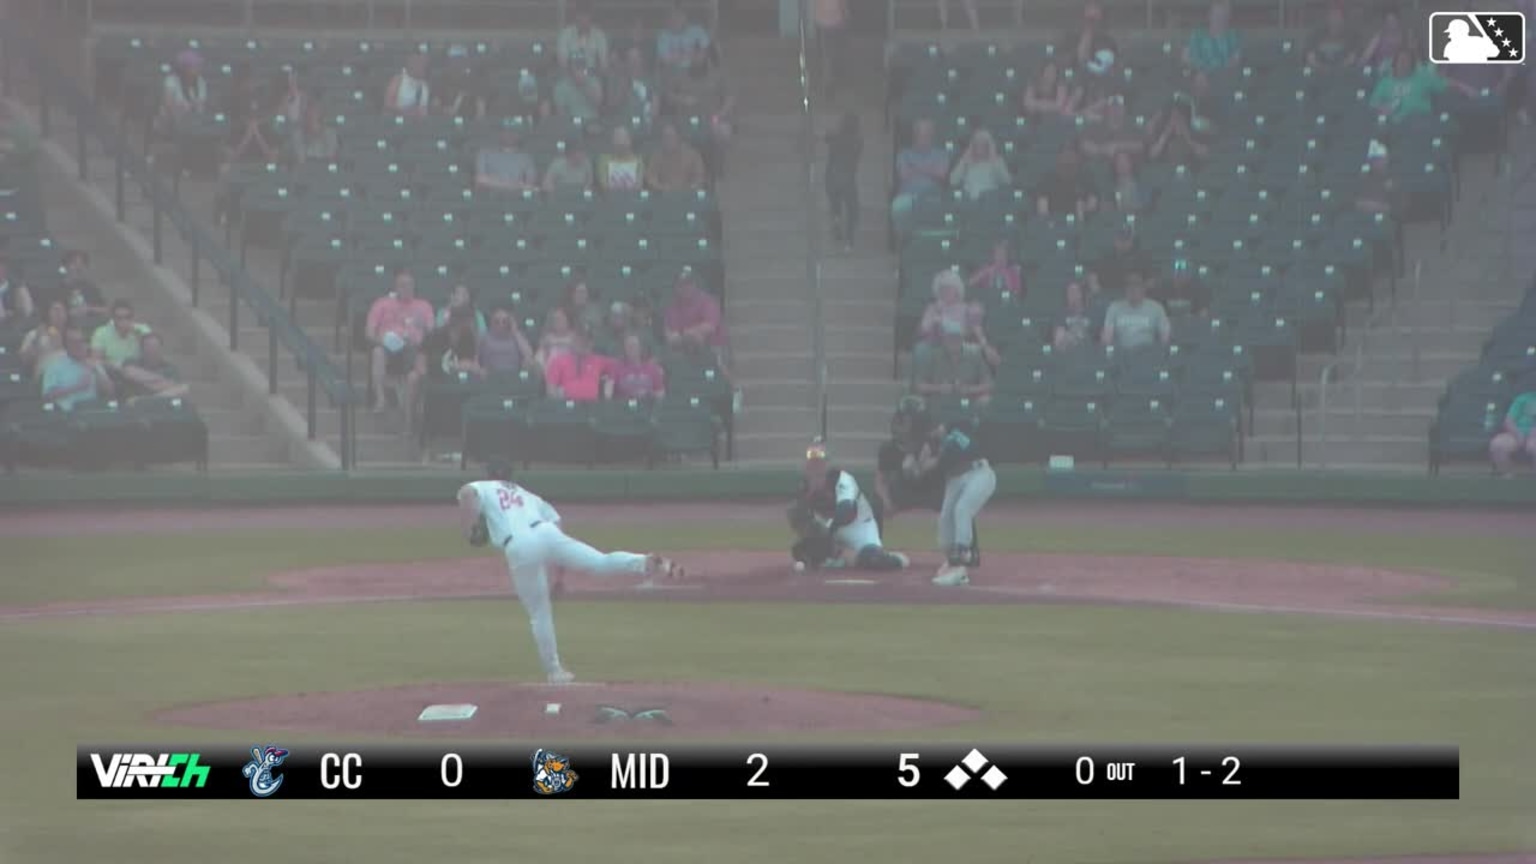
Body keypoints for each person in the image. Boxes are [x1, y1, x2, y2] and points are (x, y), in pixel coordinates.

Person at [456, 458, 682, 684]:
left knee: (539, 613)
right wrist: (559, 576)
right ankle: (644, 562)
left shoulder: (483, 486)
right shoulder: (528, 495)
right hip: (547, 533)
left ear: (488, 474)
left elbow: (467, 494)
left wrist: (469, 530)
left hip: (519, 544)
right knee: (600, 562)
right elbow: (557, 522)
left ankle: (555, 672)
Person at [787, 438, 911, 572]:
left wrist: (828, 534)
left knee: (873, 560)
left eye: (819, 463)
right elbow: (798, 516)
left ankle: (895, 559)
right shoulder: (804, 488)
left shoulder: (843, 479)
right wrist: (813, 536)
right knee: (801, 549)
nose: (815, 467)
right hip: (834, 530)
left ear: (827, 464)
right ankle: (839, 556)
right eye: (812, 463)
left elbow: (845, 511)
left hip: (859, 528)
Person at [910, 416, 995, 586]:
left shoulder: (955, 433)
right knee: (945, 520)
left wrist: (924, 464)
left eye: (935, 427)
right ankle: (952, 561)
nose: (934, 431)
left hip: (978, 473)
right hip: (954, 479)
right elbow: (920, 471)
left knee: (962, 509)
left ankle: (961, 562)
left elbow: (951, 455)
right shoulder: (928, 443)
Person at [365, 267, 434, 413]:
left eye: (409, 285)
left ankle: (418, 406)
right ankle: (381, 399)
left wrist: (418, 340)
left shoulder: (424, 306)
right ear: (395, 287)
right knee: (377, 352)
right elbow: (369, 333)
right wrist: (383, 341)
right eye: (402, 285)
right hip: (387, 347)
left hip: (415, 347)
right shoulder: (381, 304)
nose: (406, 288)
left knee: (423, 357)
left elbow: (431, 332)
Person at [875, 396, 947, 520]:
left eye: (904, 421)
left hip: (932, 496)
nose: (898, 425)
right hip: (904, 497)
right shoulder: (888, 448)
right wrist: (887, 503)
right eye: (898, 420)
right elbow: (880, 481)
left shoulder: (935, 445)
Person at [663, 267, 730, 376]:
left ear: (694, 285)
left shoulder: (707, 301)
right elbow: (670, 336)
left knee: (720, 363)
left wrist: (684, 334)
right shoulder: (673, 307)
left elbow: (710, 327)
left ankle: (731, 389)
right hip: (684, 349)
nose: (686, 288)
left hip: (713, 346)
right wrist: (691, 334)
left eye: (688, 284)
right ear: (676, 287)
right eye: (682, 285)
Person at [917, 269, 990, 363]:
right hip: (936, 346)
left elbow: (974, 330)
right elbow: (924, 329)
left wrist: (985, 345)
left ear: (957, 290)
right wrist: (933, 315)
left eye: (948, 288)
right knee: (921, 349)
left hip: (959, 344)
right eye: (942, 289)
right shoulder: (933, 308)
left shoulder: (967, 308)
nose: (945, 292)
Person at [890, 119, 950, 235]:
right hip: (908, 197)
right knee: (898, 206)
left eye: (926, 135)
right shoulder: (904, 154)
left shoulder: (941, 154)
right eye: (920, 135)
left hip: (933, 198)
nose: (923, 139)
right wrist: (930, 170)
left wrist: (915, 168)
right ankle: (905, 239)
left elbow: (941, 174)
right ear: (914, 136)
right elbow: (904, 175)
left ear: (932, 136)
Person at [1370, 48, 1461, 123]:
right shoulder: (1385, 82)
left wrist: (1468, 90)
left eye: (1407, 61)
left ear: (1412, 64)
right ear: (1395, 63)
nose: (1403, 63)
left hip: (1420, 121)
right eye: (1401, 60)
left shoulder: (1423, 78)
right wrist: (1384, 108)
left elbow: (1447, 84)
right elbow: (1373, 103)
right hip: (1394, 124)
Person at [913, 318, 993, 403]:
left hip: (967, 401)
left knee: (986, 400)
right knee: (919, 402)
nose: (954, 341)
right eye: (950, 337)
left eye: (957, 337)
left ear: (963, 338)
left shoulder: (975, 353)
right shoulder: (932, 355)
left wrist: (969, 389)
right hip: (940, 402)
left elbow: (989, 385)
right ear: (944, 339)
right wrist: (939, 388)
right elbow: (919, 386)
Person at [41, 326, 114, 411]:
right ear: (66, 345)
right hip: (66, 414)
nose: (79, 345)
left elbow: (110, 391)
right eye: (74, 342)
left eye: (81, 341)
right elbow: (47, 396)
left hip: (92, 411)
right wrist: (76, 387)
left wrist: (96, 371)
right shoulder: (55, 365)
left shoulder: (93, 364)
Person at [1101, 268, 1172, 352]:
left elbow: (1165, 337)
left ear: (1143, 287)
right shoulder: (1114, 307)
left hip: (1148, 354)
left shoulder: (1156, 308)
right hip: (1121, 355)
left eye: (1137, 284)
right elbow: (1107, 338)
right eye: (1129, 284)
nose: (1132, 288)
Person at [824, 110, 862, 252]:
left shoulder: (835, 137)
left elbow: (826, 136)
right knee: (853, 210)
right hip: (847, 179)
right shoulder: (858, 142)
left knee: (835, 202)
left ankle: (836, 220)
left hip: (831, 177)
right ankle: (849, 241)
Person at [544, 329, 610, 402]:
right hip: (566, 407)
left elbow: (619, 367)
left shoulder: (599, 361)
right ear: (573, 341)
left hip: (591, 408)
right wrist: (559, 405)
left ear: (592, 343)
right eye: (580, 340)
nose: (584, 343)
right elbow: (551, 389)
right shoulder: (558, 361)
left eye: (587, 340)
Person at [1035, 143, 1098, 220]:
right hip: (1055, 222)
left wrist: (1085, 210)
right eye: (1065, 156)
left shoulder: (1086, 178)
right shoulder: (1048, 179)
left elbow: (1092, 203)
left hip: (1081, 221)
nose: (1068, 159)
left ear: (1078, 158)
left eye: (1071, 156)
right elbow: (1042, 208)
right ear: (1059, 157)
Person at [120, 332, 189, 401]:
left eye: (156, 346)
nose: (152, 349)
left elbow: (178, 388)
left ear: (161, 348)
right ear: (142, 348)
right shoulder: (132, 362)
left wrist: (142, 380)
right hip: (135, 405)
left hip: (159, 403)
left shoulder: (170, 368)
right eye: (149, 346)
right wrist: (161, 382)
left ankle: (148, 400)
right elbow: (129, 372)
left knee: (184, 389)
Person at [948, 129, 1012, 201]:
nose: (980, 146)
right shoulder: (966, 160)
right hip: (969, 199)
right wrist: (963, 162)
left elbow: (1007, 181)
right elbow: (953, 181)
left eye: (983, 144)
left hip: (990, 199)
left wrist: (995, 161)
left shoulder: (997, 161)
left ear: (988, 145)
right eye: (977, 143)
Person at [90, 300, 151, 374]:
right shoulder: (101, 332)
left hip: (140, 370)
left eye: (128, 317)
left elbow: (153, 355)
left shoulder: (142, 329)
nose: (124, 320)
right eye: (119, 318)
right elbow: (96, 360)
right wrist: (117, 366)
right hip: (114, 372)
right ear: (113, 318)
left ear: (133, 317)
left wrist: (137, 335)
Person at [1080, 95, 1144, 164]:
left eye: (1119, 107)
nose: (1116, 110)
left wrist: (1117, 146)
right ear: (1107, 109)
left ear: (1124, 109)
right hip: (1100, 165)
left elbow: (1140, 145)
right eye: (1113, 107)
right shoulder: (1097, 125)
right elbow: (1084, 144)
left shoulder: (1132, 125)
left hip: (1126, 168)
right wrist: (1100, 150)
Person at [1184, 0, 1243, 75]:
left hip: (1224, 78)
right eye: (1217, 15)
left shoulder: (1233, 37)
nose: (1220, 19)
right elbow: (1187, 58)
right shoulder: (1197, 35)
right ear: (1209, 16)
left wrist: (1207, 72)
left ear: (1229, 17)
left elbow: (1234, 62)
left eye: (1224, 15)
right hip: (1196, 76)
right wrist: (1200, 72)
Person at [646, 120, 707, 190]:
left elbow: (700, 178)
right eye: (665, 136)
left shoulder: (693, 155)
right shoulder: (657, 156)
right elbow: (650, 177)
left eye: (671, 136)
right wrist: (660, 187)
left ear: (679, 137)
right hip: (664, 195)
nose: (667, 140)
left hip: (688, 196)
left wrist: (689, 189)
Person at [1147, 98, 1212, 164]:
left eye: (1178, 115)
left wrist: (1188, 139)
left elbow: (1205, 153)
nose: (1175, 118)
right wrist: (1166, 134)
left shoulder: (1193, 131)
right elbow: (1152, 155)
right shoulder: (1162, 133)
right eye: (1173, 115)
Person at [605, 46, 658, 128]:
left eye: (636, 58)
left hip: (644, 124)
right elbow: (612, 105)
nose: (634, 62)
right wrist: (624, 85)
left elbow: (655, 108)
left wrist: (647, 117)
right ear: (626, 62)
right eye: (631, 59)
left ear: (642, 60)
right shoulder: (619, 80)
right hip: (623, 124)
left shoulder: (650, 81)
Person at [474, 126, 539, 192]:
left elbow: (530, 185)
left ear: (519, 135)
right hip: (489, 197)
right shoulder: (485, 153)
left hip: (517, 198)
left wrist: (492, 182)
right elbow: (480, 180)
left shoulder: (526, 158)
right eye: (506, 131)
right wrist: (514, 185)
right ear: (500, 134)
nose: (510, 135)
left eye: (513, 132)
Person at [1488, 389, 1536, 477]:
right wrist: (1518, 435)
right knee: (1498, 445)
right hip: (1517, 433)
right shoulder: (1523, 398)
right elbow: (1509, 421)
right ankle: (1507, 475)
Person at [656, 3, 711, 78]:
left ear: (685, 17)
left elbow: (704, 52)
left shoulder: (697, 30)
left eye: (679, 16)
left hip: (696, 70)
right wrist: (693, 54)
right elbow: (666, 59)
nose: (676, 20)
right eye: (673, 17)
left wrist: (679, 56)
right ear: (668, 19)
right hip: (673, 72)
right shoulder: (663, 36)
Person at [159, 49, 208, 132]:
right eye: (195, 66)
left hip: (196, 121)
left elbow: (202, 103)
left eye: (199, 66)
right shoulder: (171, 81)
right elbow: (168, 104)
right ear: (185, 68)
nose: (198, 69)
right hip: (173, 121)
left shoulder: (201, 81)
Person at [1088, 223, 1141, 298]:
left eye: (1126, 239)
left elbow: (1150, 279)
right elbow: (1093, 273)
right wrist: (1094, 284)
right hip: (1107, 295)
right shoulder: (1106, 255)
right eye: (1120, 239)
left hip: (1129, 297)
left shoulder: (1139, 257)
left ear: (1131, 241)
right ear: (1115, 240)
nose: (1123, 243)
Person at [608, 332, 666, 401]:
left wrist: (650, 394)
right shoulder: (617, 368)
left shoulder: (652, 368)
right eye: (628, 346)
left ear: (640, 347)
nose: (631, 349)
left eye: (634, 345)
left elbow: (661, 393)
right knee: (633, 406)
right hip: (627, 406)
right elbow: (609, 388)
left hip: (648, 405)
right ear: (624, 349)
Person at [19, 300, 69, 379]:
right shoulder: (34, 334)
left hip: (67, 376)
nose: (58, 314)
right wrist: (37, 340)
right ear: (48, 313)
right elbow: (24, 360)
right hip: (44, 376)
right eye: (55, 310)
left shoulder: (73, 335)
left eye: (61, 310)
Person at [479, 306, 535, 375]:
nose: (501, 324)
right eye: (497, 322)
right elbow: (477, 359)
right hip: (491, 376)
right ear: (491, 323)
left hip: (514, 375)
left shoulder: (516, 337)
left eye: (504, 321)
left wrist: (515, 331)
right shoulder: (485, 338)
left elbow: (529, 354)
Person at [557, 3, 610, 72]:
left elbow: (604, 63)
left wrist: (586, 73)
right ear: (575, 16)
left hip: (592, 75)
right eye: (580, 15)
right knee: (562, 83)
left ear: (591, 16)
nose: (583, 19)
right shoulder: (565, 34)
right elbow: (562, 62)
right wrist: (574, 73)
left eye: (586, 16)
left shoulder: (599, 36)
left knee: (595, 83)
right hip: (569, 75)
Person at [1064, 1, 1117, 71]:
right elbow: (1067, 61)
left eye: (1096, 11)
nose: (1092, 16)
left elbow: (1108, 65)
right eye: (1089, 10)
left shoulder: (1108, 42)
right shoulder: (1071, 39)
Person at [812, 0, 850, 98]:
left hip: (821, 21)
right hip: (835, 21)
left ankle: (827, 83)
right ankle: (830, 82)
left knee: (826, 55)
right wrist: (846, 16)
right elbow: (843, 4)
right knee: (832, 54)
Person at [1306, 2, 1359, 72]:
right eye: (1332, 15)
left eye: (1337, 15)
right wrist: (1321, 68)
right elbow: (1310, 57)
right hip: (1319, 74)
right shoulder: (1316, 35)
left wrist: (1339, 69)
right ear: (1327, 17)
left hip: (1344, 74)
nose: (1334, 18)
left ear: (1343, 18)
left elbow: (1352, 58)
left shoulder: (1352, 36)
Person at [57, 250, 105, 322]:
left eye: (82, 264)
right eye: (74, 263)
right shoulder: (59, 289)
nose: (78, 267)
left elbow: (105, 309)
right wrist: (70, 312)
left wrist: (89, 309)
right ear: (66, 266)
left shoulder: (91, 287)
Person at [1355, 140, 1398, 215]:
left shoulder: (1393, 179)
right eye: (1376, 159)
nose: (1379, 162)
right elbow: (1357, 204)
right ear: (1370, 161)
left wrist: (1377, 207)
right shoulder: (1362, 178)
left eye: (1382, 159)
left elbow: (1394, 206)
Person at [597, 125, 645, 192]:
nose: (620, 141)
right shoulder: (604, 159)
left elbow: (638, 186)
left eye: (623, 138)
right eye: (617, 138)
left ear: (629, 140)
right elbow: (604, 185)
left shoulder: (638, 160)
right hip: (610, 199)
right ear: (612, 141)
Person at [290, 100, 338, 165]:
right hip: (305, 168)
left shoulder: (330, 133)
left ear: (319, 114)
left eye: (314, 113)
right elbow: (300, 156)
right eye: (307, 113)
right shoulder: (297, 134)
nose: (310, 115)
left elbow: (331, 154)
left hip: (324, 168)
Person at [384, 52, 432, 118]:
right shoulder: (399, 79)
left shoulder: (425, 86)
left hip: (418, 124)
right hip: (398, 121)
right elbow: (388, 104)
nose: (420, 65)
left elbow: (425, 109)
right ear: (410, 63)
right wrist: (405, 112)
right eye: (417, 62)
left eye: (423, 63)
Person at [1360, 6, 1406, 72]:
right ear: (1384, 22)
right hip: (1378, 68)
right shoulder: (1379, 36)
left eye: (1393, 20)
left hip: (1396, 68)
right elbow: (1367, 55)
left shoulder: (1403, 36)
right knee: (1366, 71)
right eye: (1388, 21)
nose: (1391, 24)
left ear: (1398, 20)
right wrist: (1362, 65)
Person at [1053, 281, 1097, 350]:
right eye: (1070, 292)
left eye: (1076, 291)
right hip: (1068, 355)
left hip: (1088, 354)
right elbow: (1058, 343)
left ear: (1081, 294)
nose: (1073, 295)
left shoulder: (1092, 314)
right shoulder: (1061, 314)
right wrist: (1069, 337)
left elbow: (1098, 340)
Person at [536, 306, 580, 371]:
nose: (557, 322)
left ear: (568, 320)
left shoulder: (576, 337)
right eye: (555, 319)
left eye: (560, 319)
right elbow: (539, 360)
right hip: (549, 372)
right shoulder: (547, 339)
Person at [0, 252, 36, 324]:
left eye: (1, 265)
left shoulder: (19, 288)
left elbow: (28, 311)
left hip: (13, 328)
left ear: (5, 267)